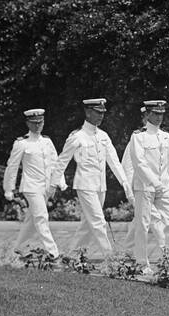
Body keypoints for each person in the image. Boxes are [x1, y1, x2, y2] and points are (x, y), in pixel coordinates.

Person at [56, 97, 132, 264]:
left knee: (87, 224)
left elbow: (114, 162)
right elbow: (62, 160)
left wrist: (126, 184)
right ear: (88, 112)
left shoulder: (103, 136)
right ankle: (111, 258)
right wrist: (55, 182)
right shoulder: (77, 136)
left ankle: (71, 256)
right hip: (84, 185)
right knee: (98, 221)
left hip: (100, 186)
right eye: (97, 112)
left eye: (103, 113)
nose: (101, 116)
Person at [123, 99, 169, 272]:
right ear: (147, 114)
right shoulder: (138, 136)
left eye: (161, 114)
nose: (158, 117)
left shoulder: (165, 136)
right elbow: (139, 163)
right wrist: (154, 182)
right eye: (155, 114)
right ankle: (142, 263)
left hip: (164, 186)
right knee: (143, 224)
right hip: (145, 186)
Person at [4, 108, 62, 258]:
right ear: (28, 123)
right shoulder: (22, 143)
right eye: (34, 123)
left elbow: (56, 162)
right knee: (41, 216)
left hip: (46, 187)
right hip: (31, 187)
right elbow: (12, 166)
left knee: (32, 219)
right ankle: (53, 252)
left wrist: (59, 182)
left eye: (40, 122)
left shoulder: (47, 141)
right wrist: (9, 189)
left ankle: (18, 247)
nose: (38, 126)